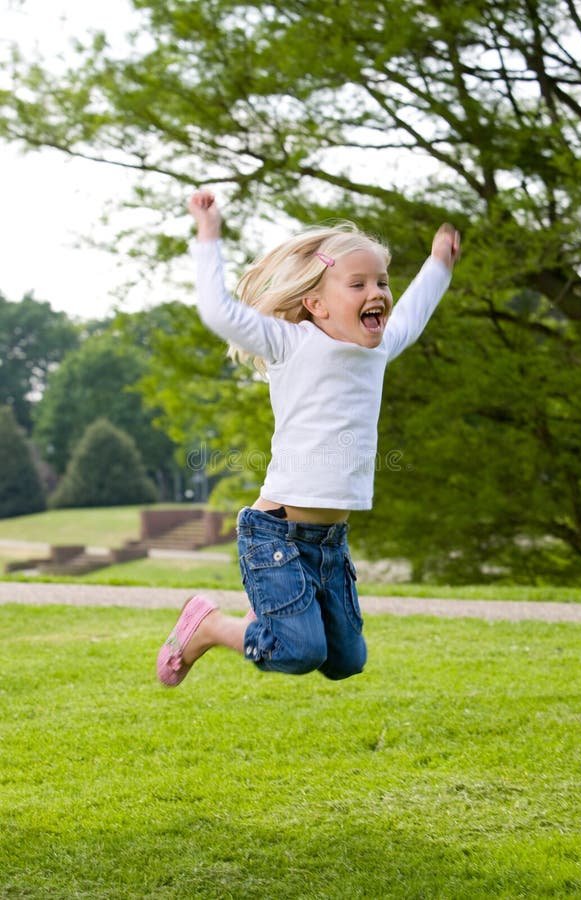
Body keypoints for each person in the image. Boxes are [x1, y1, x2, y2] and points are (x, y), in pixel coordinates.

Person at [157, 190, 460, 687]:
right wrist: (208, 236)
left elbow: (415, 312)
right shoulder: (292, 344)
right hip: (275, 534)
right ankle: (208, 626)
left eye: (381, 282)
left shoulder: (376, 351)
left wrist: (438, 265)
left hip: (329, 542)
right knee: (297, 650)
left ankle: (248, 626)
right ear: (315, 303)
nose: (377, 293)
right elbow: (219, 313)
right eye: (357, 284)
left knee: (345, 661)